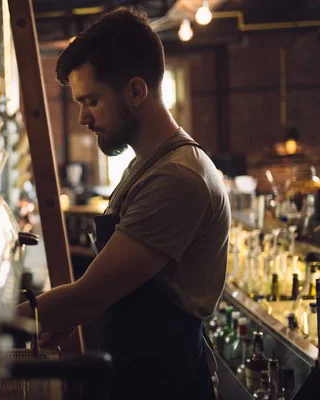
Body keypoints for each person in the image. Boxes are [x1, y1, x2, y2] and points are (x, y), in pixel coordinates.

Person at [17, 7, 230, 399]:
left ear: (135, 91)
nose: (82, 117)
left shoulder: (177, 177)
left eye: (91, 101)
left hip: (167, 386)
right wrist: (67, 314)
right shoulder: (148, 165)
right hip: (138, 374)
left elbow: (90, 295)